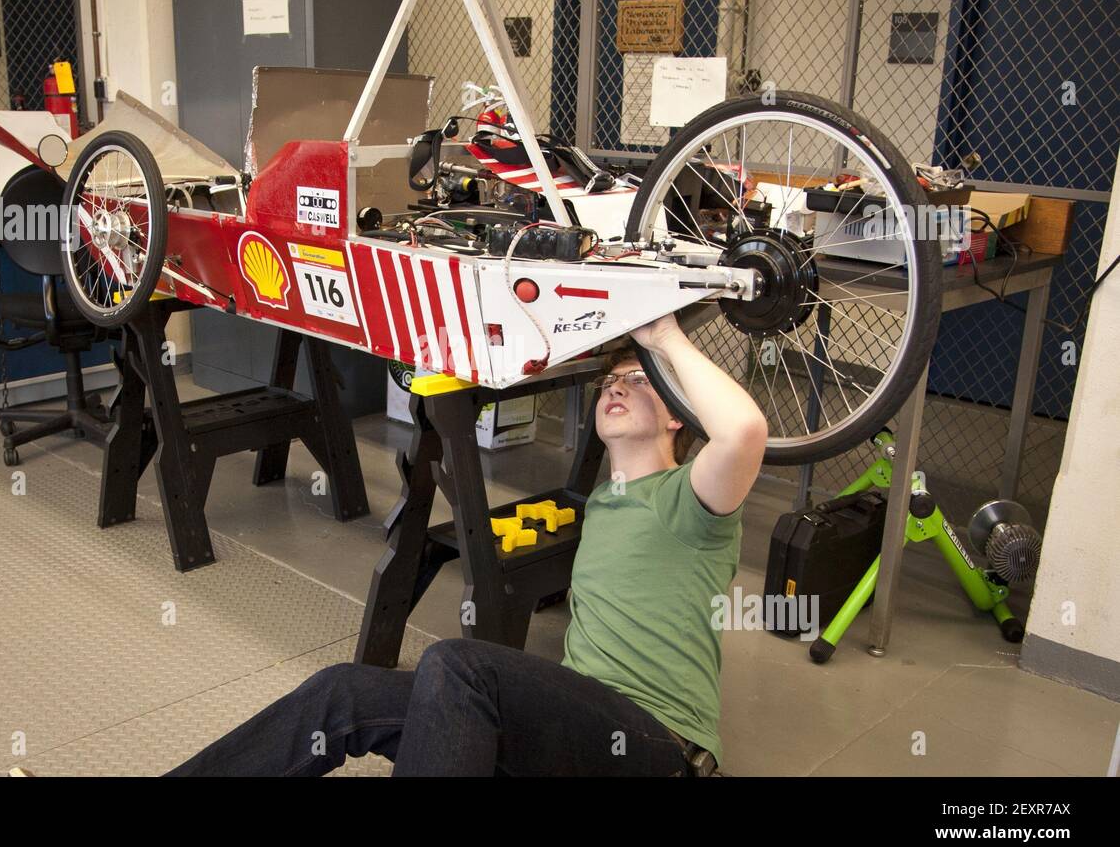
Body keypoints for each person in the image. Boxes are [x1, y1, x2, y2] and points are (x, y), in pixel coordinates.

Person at [165, 314, 768, 777]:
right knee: (341, 690)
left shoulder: (693, 502)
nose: (616, 388)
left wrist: (663, 334)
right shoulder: (600, 502)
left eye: (639, 382)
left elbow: (743, 431)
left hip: (656, 746)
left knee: (458, 666)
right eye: (610, 380)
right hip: (569, 731)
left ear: (677, 416)